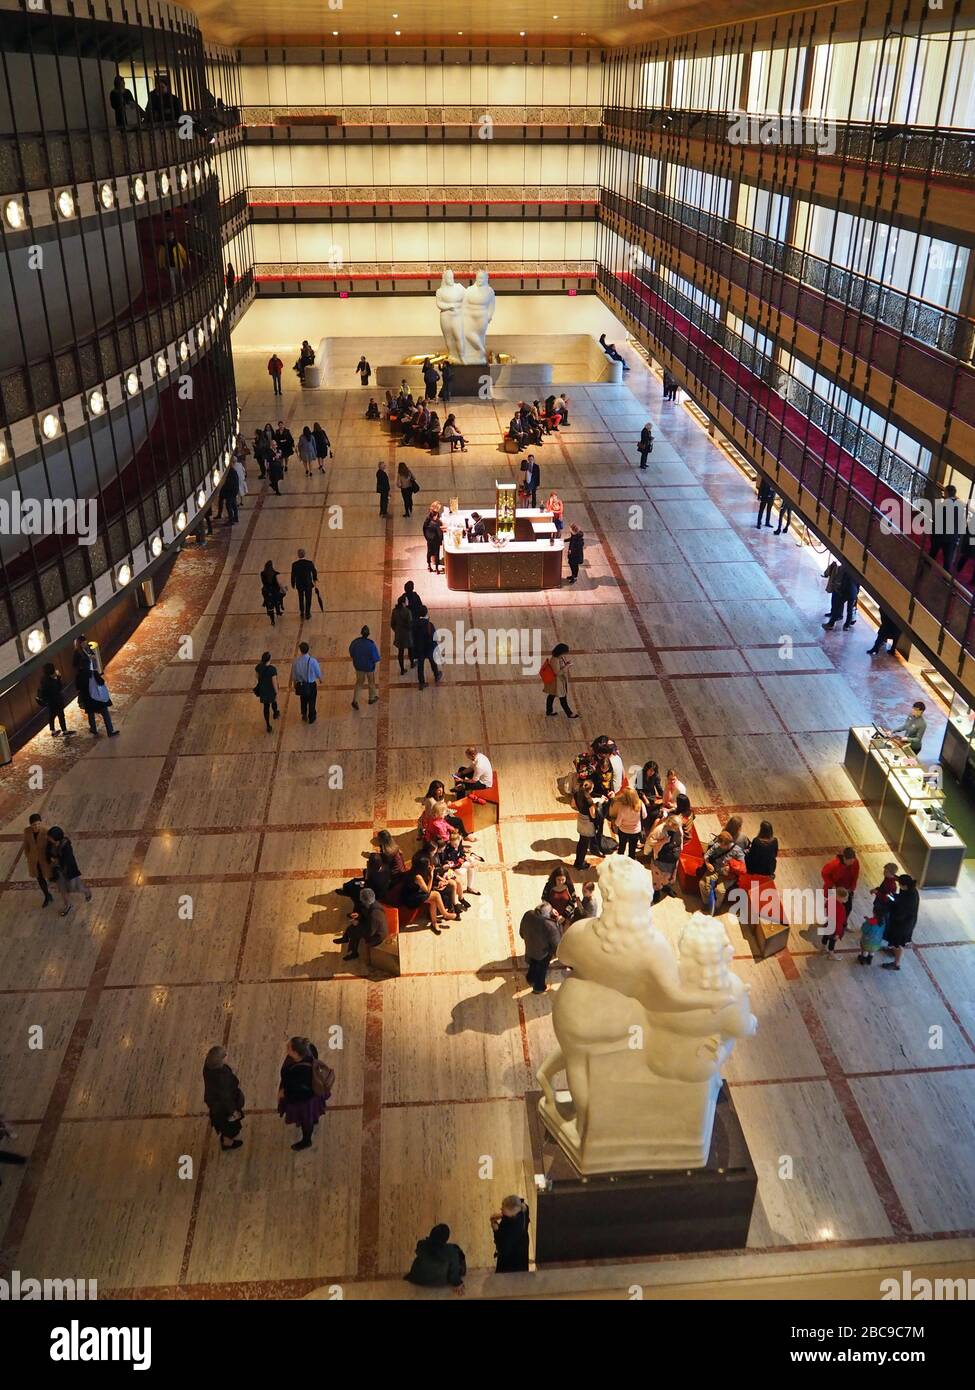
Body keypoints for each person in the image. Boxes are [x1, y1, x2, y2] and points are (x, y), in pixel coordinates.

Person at [277, 1036, 329, 1151]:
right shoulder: (310, 1049)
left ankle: (306, 1140)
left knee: (306, 1120)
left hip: (304, 1101)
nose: (286, 1048)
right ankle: (313, 1120)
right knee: (311, 1115)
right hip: (313, 1094)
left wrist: (283, 1094)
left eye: (289, 1047)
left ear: (295, 1053)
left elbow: (295, 1091)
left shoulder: (298, 1073)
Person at [402, 843, 457, 934]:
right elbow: (427, 890)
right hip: (412, 896)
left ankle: (434, 922)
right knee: (435, 895)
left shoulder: (420, 870)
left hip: (417, 891)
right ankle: (445, 914)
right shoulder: (417, 876)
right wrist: (431, 876)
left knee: (434, 900)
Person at [203, 1046, 245, 1152]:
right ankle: (227, 1143)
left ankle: (227, 1137)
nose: (227, 1055)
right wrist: (234, 1111)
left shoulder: (208, 1066)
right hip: (223, 1108)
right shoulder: (223, 1077)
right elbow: (226, 1098)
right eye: (224, 1055)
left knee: (225, 1124)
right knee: (229, 1126)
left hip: (215, 1103)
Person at [333, 886, 388, 962]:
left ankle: (353, 952)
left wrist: (358, 923)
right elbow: (367, 915)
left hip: (377, 936)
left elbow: (369, 933)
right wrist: (358, 915)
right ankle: (346, 939)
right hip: (371, 925)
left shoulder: (375, 915)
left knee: (354, 931)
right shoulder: (373, 903)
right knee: (352, 928)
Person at [404, 1224, 466, 1290]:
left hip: (420, 1279)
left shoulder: (421, 1245)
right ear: (446, 1238)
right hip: (440, 1281)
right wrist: (458, 1283)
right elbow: (454, 1272)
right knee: (456, 1254)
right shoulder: (451, 1250)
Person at [46, 826, 92, 916]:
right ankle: (68, 905)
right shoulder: (50, 844)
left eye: (50, 837)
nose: (48, 838)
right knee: (62, 889)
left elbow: (68, 860)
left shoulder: (66, 846)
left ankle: (87, 892)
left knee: (75, 887)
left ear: (56, 838)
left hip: (69, 871)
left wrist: (56, 860)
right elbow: (47, 853)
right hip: (58, 872)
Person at [519, 901, 562, 993]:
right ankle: (538, 988)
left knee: (533, 963)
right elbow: (557, 945)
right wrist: (557, 922)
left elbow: (521, 933)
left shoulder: (528, 914)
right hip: (543, 953)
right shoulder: (550, 926)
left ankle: (530, 978)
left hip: (530, 947)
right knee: (541, 970)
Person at [880, 874, 920, 970]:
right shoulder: (910, 890)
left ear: (904, 885)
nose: (899, 886)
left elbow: (900, 912)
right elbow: (899, 899)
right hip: (903, 922)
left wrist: (891, 900)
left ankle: (896, 963)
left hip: (902, 925)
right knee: (895, 942)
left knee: (897, 943)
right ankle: (892, 949)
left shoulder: (909, 899)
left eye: (900, 884)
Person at [647, 814, 683, 902]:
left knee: (668, 877)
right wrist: (662, 841)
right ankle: (657, 891)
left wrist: (680, 849)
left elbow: (681, 838)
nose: (677, 829)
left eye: (678, 827)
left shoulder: (678, 828)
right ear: (670, 824)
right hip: (660, 860)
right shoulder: (659, 830)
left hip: (672, 860)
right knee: (657, 877)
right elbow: (650, 842)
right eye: (675, 827)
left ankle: (665, 887)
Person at [491, 1196, 530, 1273]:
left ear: (513, 1210)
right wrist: (502, 1215)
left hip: (510, 1269)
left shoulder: (512, 1226)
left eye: (504, 1207)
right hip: (521, 1266)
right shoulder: (523, 1212)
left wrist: (495, 1229)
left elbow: (503, 1248)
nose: (501, 1209)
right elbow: (524, 1204)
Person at [23, 813, 53, 907]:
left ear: (41, 823)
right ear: (30, 825)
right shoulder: (27, 831)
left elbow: (51, 845)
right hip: (34, 862)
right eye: (34, 825)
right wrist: (28, 856)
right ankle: (47, 896)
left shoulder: (46, 831)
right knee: (40, 879)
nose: (36, 826)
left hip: (45, 860)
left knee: (51, 877)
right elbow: (26, 845)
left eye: (38, 824)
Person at [930, 484, 962, 571]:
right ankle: (945, 581)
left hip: (940, 536)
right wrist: (958, 537)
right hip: (952, 537)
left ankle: (923, 570)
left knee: (932, 555)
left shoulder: (943, 505)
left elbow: (937, 521)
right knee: (947, 560)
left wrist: (932, 535)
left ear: (947, 493)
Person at [542, 643, 578, 718]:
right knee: (563, 698)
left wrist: (566, 664)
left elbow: (560, 668)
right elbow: (558, 673)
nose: (565, 654)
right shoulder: (555, 660)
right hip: (557, 683)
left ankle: (549, 711)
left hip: (558, 682)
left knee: (551, 696)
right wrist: (567, 666)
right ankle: (569, 714)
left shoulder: (559, 657)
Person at [37, 661, 72, 738]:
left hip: (49, 702)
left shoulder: (43, 679)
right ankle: (65, 731)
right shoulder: (52, 681)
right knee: (61, 716)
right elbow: (59, 688)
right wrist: (59, 678)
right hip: (56, 701)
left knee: (51, 716)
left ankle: (53, 731)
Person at [822, 846, 860, 915]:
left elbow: (855, 876)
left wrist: (852, 888)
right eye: (850, 861)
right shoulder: (834, 864)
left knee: (847, 908)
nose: (852, 863)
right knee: (832, 910)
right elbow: (824, 873)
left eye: (853, 861)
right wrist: (832, 885)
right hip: (835, 890)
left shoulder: (855, 862)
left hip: (847, 890)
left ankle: (842, 924)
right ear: (844, 858)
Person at [349, 625, 380, 710]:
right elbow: (376, 658)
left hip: (358, 666)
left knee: (359, 683)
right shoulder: (371, 644)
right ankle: (372, 698)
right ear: (368, 634)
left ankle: (355, 700)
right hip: (369, 667)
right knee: (371, 682)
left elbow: (351, 653)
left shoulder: (355, 642)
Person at [412, 605, 442, 690]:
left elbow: (413, 636)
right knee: (432, 661)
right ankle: (436, 675)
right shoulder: (429, 625)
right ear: (426, 613)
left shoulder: (414, 624)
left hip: (419, 647)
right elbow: (434, 637)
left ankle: (421, 683)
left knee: (420, 665)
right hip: (429, 647)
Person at [291, 641, 321, 724]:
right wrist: (320, 678)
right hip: (311, 685)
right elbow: (317, 671)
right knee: (312, 700)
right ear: (308, 650)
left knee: (303, 699)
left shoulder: (296, 662)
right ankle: (311, 717)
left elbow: (294, 675)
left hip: (301, 685)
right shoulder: (312, 661)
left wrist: (294, 684)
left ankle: (304, 714)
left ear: (300, 650)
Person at [610, 786, 643, 858]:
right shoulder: (640, 804)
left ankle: (620, 863)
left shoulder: (623, 808)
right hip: (636, 831)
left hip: (624, 831)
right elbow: (645, 816)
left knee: (621, 849)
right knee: (632, 850)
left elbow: (618, 823)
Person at [820, 885, 850, 955]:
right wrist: (837, 933)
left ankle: (823, 947)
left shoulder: (830, 900)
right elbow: (839, 922)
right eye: (845, 898)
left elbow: (825, 905)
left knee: (825, 936)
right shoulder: (841, 908)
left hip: (827, 924)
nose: (846, 900)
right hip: (834, 929)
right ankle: (831, 953)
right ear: (839, 897)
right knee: (832, 941)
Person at [254, 651, 279, 732]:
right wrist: (276, 692)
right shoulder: (272, 669)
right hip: (270, 689)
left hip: (263, 689)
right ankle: (275, 713)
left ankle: (268, 724)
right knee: (274, 702)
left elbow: (257, 677)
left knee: (266, 707)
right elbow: (274, 682)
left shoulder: (258, 667)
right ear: (269, 659)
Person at [390, 593, 415, 674]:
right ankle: (412, 663)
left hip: (399, 634)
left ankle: (402, 669)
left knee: (400, 652)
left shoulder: (394, 611)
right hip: (407, 635)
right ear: (404, 602)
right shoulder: (408, 612)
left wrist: (397, 630)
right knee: (410, 650)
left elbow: (392, 624)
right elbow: (410, 624)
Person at [290, 549, 318, 621]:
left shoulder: (294, 565)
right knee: (308, 599)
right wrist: (314, 579)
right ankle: (307, 614)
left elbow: (293, 575)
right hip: (308, 584)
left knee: (301, 598)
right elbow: (314, 572)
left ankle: (302, 612)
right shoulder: (309, 563)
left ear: (298, 555)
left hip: (299, 585)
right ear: (304, 554)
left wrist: (293, 583)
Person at [423, 505, 444, 574]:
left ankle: (429, 566)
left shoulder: (427, 521)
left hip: (429, 540)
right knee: (436, 553)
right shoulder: (436, 523)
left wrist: (427, 538)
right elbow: (439, 534)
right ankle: (437, 569)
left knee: (429, 553)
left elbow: (424, 530)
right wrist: (441, 540)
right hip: (436, 541)